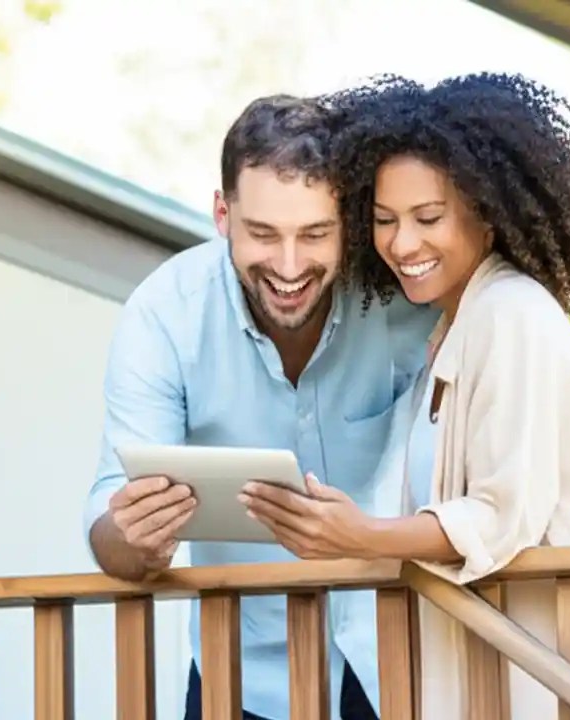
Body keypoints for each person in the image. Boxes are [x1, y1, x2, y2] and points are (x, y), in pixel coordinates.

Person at [240, 73, 570, 718]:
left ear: (486, 212)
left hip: (556, 679)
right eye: (383, 220)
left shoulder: (512, 312)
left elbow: (501, 514)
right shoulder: (453, 326)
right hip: (490, 677)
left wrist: (362, 535)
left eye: (428, 218)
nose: (403, 243)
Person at [82, 93, 438, 720]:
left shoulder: (403, 301)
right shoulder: (165, 314)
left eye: (316, 234)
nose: (290, 265)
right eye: (263, 233)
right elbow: (109, 529)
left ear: (349, 224)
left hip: (399, 667)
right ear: (223, 213)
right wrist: (135, 539)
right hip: (238, 678)